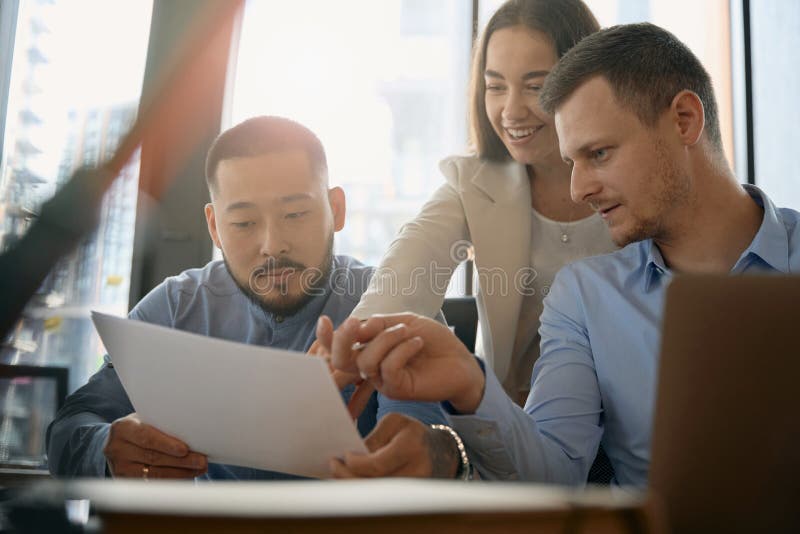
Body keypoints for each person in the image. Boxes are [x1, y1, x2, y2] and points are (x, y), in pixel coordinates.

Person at [324, 23, 800, 487]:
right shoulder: (584, 295)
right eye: (572, 162)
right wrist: (472, 385)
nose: (578, 189)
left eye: (599, 154)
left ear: (684, 121)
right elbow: (553, 468)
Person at [46, 116, 449, 480]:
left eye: (295, 214)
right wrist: (107, 449)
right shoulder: (174, 308)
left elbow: (419, 445)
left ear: (336, 208)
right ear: (215, 227)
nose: (273, 246)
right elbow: (69, 428)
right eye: (243, 223)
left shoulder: (392, 303)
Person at [352, 0, 614, 406]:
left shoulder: (632, 177)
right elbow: (413, 263)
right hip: (523, 430)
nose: (510, 111)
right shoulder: (474, 182)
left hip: (635, 427)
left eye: (535, 86)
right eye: (495, 86)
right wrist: (357, 340)